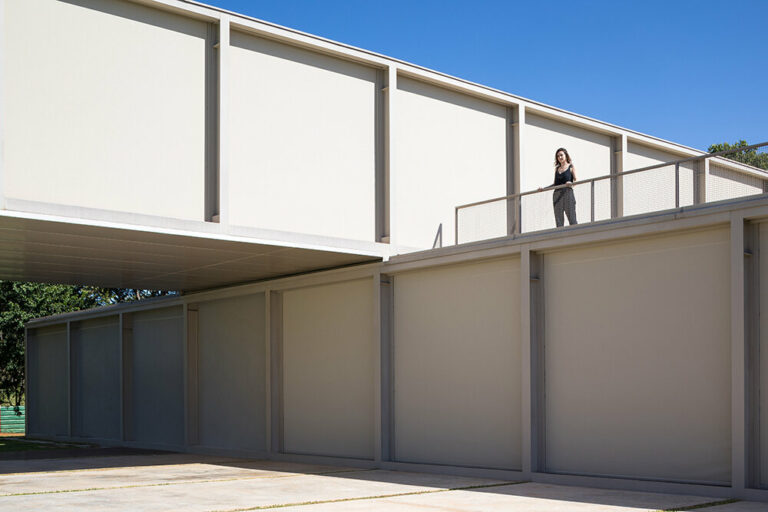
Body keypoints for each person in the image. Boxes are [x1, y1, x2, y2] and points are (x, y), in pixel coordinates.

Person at [547, 147, 578, 227]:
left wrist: (570, 183)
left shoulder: (571, 167)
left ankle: (575, 234)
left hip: (568, 193)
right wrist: (543, 189)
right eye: (558, 156)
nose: (560, 157)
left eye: (561, 155)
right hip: (557, 195)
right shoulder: (557, 169)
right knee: (559, 220)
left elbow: (576, 180)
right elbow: (555, 184)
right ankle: (560, 237)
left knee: (572, 217)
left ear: (565, 155)